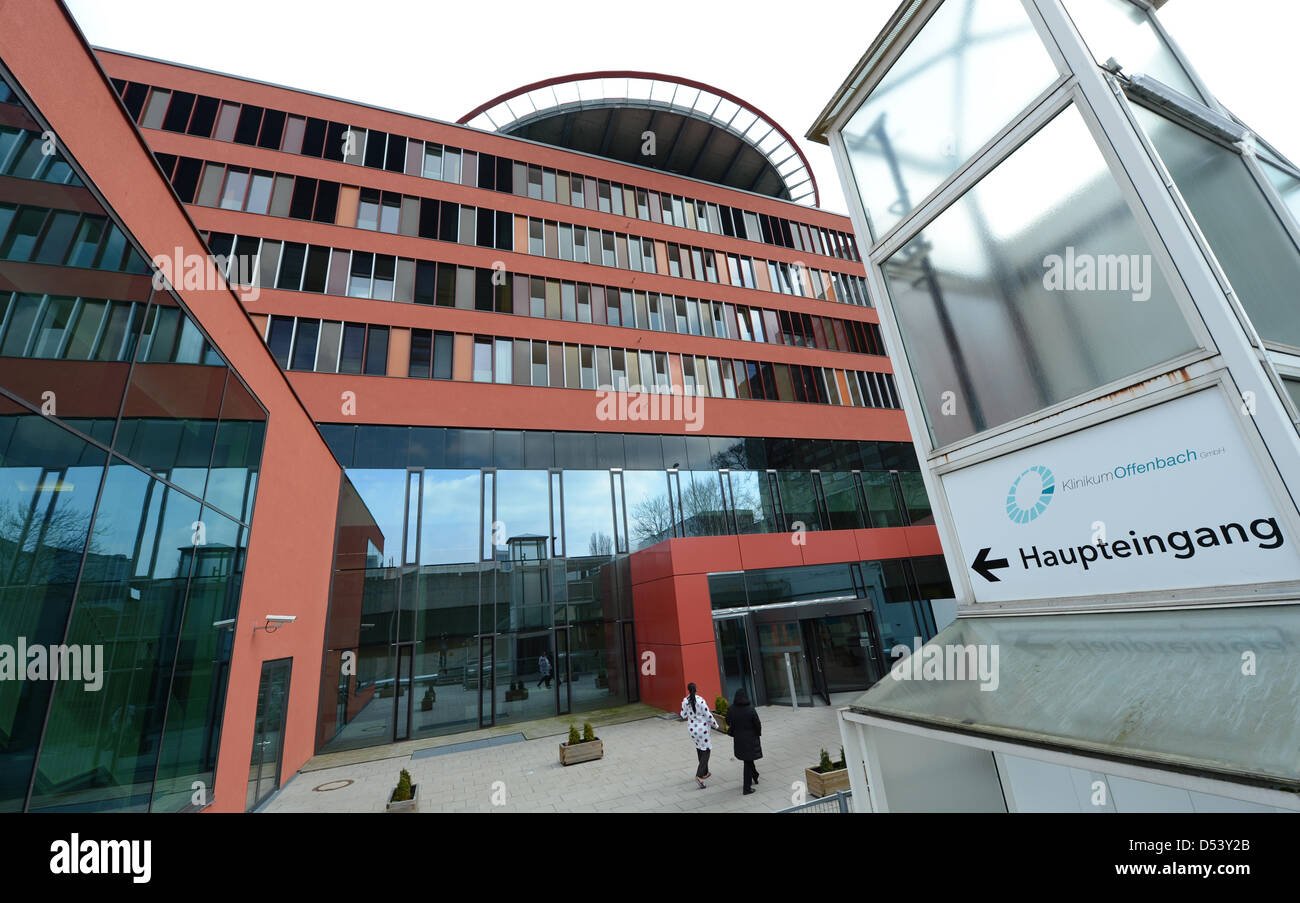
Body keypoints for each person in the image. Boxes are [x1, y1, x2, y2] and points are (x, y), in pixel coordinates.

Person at [680, 682, 718, 789]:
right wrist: (716, 725)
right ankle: (699, 775)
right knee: (707, 750)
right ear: (696, 689)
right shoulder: (701, 700)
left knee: (699, 748)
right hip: (703, 730)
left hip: (692, 730)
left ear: (688, 690)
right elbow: (708, 714)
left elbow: (682, 715)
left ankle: (705, 772)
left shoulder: (685, 701)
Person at [727, 687, 762, 795]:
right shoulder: (750, 709)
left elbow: (728, 721)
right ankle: (746, 788)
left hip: (739, 739)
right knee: (748, 760)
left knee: (747, 759)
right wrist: (758, 733)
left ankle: (755, 775)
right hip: (751, 739)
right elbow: (757, 723)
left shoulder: (732, 709)